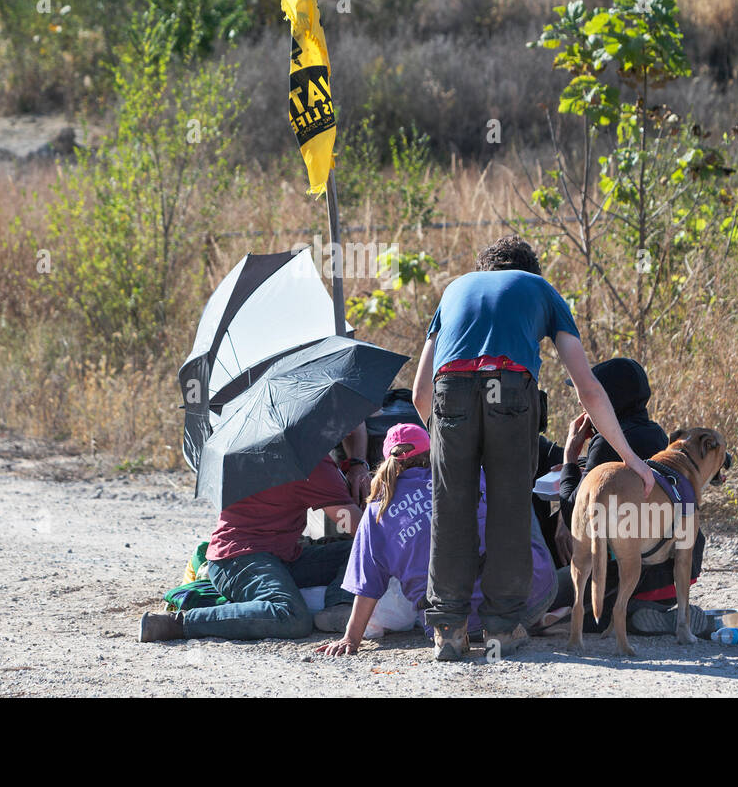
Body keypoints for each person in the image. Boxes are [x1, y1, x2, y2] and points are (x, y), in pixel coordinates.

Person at [412, 235, 657, 661]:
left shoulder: (453, 290)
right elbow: (589, 389)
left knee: (450, 509)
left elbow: (419, 394)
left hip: (449, 391)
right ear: (529, 270)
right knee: (509, 510)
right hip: (508, 390)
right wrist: (631, 459)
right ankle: (501, 631)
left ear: (485, 269)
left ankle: (448, 632)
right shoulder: (541, 289)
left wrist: (449, 440)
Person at [316, 423, 558, 656]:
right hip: (522, 602)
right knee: (513, 496)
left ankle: (547, 617)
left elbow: (366, 586)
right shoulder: (467, 475)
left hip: (447, 625)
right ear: (433, 451)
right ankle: (551, 612)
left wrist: (351, 638)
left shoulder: (376, 509)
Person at [541, 357, 708, 637]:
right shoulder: (657, 436)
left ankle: (615, 615)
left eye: (587, 395)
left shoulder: (607, 441)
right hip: (674, 572)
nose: (583, 403)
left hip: (630, 571)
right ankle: (645, 612)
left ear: (606, 401)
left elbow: (576, 519)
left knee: (541, 591)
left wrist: (571, 458)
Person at [139, 439, 364, 643]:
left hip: (272, 554)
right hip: (240, 558)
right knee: (291, 616)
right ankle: (177, 623)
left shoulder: (254, 442)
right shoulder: (309, 461)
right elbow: (354, 526)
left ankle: (339, 607)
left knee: (352, 551)